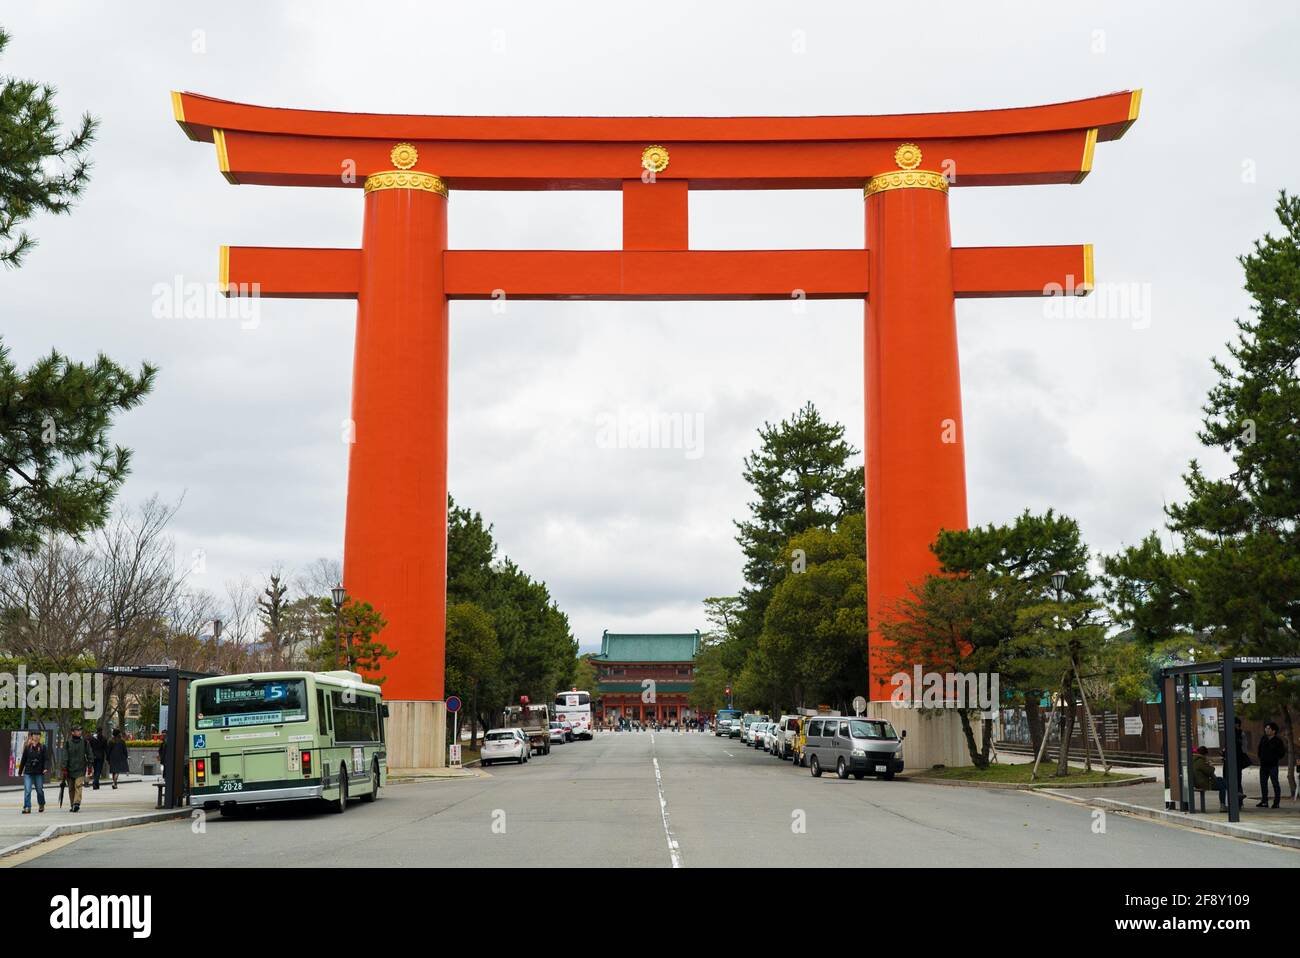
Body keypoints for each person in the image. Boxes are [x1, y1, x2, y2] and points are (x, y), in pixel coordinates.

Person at [1257, 721, 1287, 809]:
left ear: (1273, 731)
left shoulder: (1278, 741)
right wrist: (1261, 757)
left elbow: (1282, 753)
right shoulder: (1263, 738)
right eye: (1266, 728)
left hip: (1273, 765)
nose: (1266, 729)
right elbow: (1259, 749)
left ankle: (1276, 802)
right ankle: (1264, 801)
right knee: (1263, 784)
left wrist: (1275, 757)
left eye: (1268, 728)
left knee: (1275, 783)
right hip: (1263, 765)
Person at [62, 726, 92, 812]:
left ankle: (77, 803)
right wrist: (64, 768)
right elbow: (65, 756)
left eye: (80, 730)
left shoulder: (85, 742)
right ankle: (73, 805)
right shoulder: (68, 743)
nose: (79, 732)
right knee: (71, 788)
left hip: (80, 769)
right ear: (72, 732)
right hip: (69, 769)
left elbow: (89, 753)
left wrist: (90, 765)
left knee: (78, 785)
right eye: (77, 730)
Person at [17, 732, 48, 814]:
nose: (36, 737)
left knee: (39, 790)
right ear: (32, 736)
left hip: (39, 772)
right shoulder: (27, 747)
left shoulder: (42, 747)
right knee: (27, 790)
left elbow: (46, 759)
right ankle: (27, 807)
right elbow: (23, 759)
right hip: (28, 772)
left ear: (40, 737)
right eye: (35, 735)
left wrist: (45, 768)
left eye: (38, 735)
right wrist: (20, 771)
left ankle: (41, 804)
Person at [1192, 746, 1228, 811]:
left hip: (1199, 781)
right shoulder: (1200, 761)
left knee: (1221, 779)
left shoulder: (1195, 760)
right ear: (1205, 754)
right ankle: (1223, 805)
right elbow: (1209, 771)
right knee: (1222, 787)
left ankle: (1232, 791)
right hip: (1203, 783)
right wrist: (1211, 766)